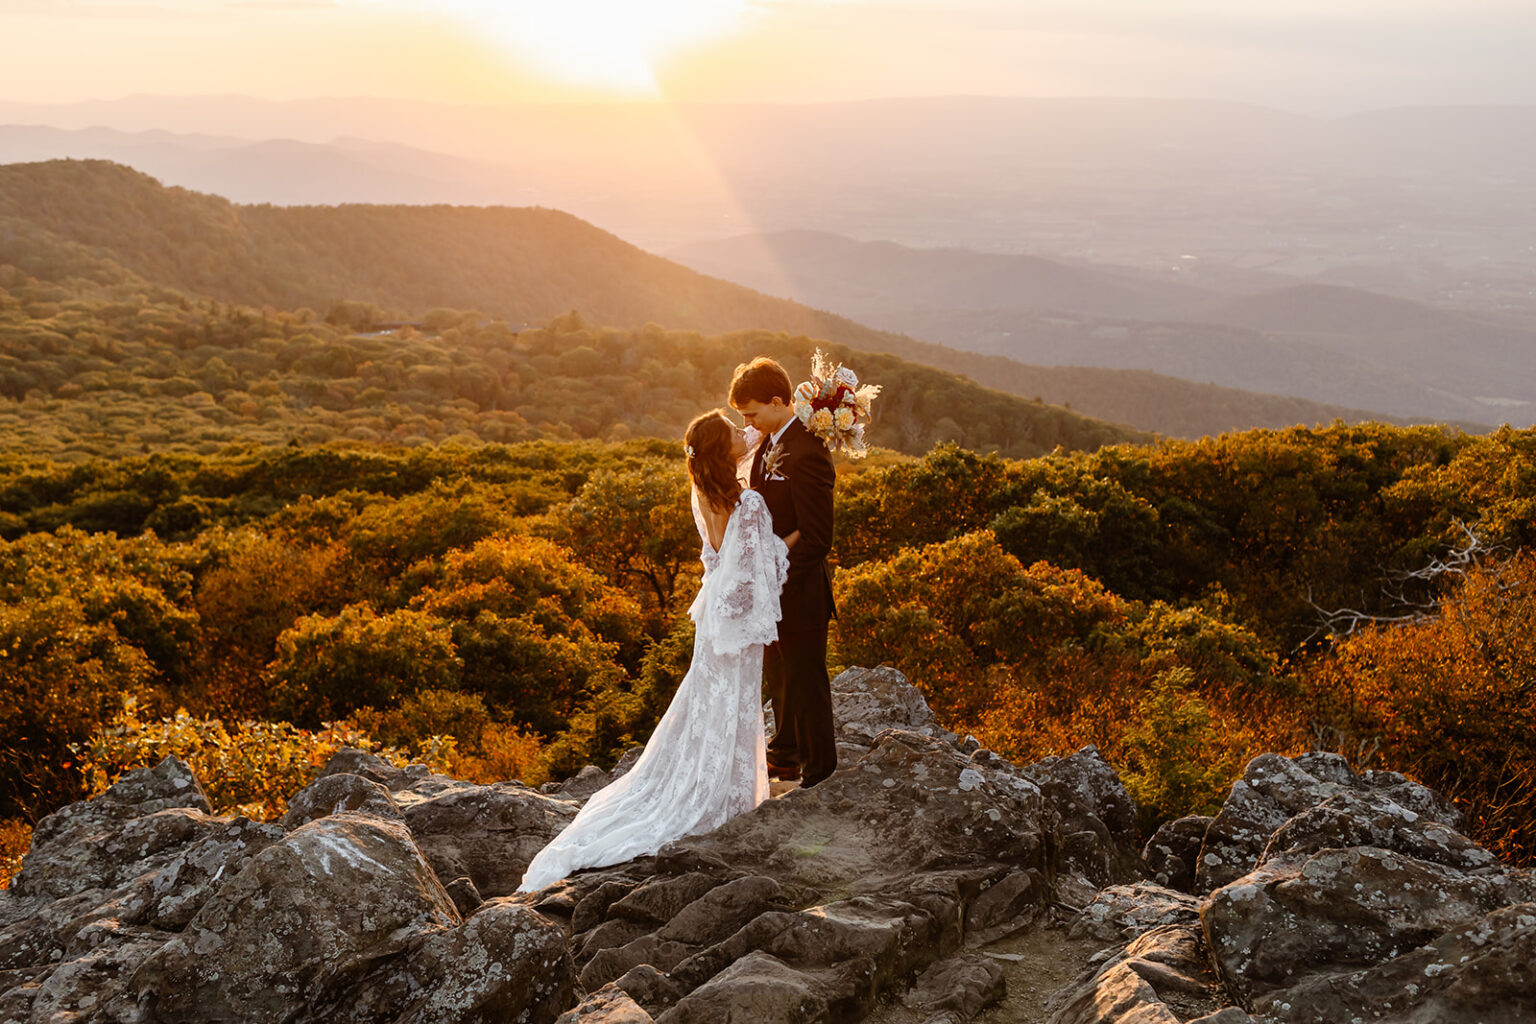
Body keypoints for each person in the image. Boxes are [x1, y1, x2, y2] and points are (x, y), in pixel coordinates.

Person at [517, 409, 789, 893]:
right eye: (733, 431)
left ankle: (716, 785)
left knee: (711, 701)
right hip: (736, 622)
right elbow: (763, 558)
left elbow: (724, 551)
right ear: (721, 451)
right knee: (733, 703)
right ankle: (724, 796)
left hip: (714, 621)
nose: (741, 432)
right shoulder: (745, 502)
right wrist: (804, 536)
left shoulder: (704, 491)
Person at [730, 357, 838, 788]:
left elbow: (816, 537)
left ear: (778, 402)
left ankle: (820, 773)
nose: (749, 423)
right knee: (780, 680)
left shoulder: (809, 451)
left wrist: (774, 575)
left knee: (807, 682)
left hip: (799, 590)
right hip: (769, 591)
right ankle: (785, 755)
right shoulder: (771, 439)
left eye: (752, 413)